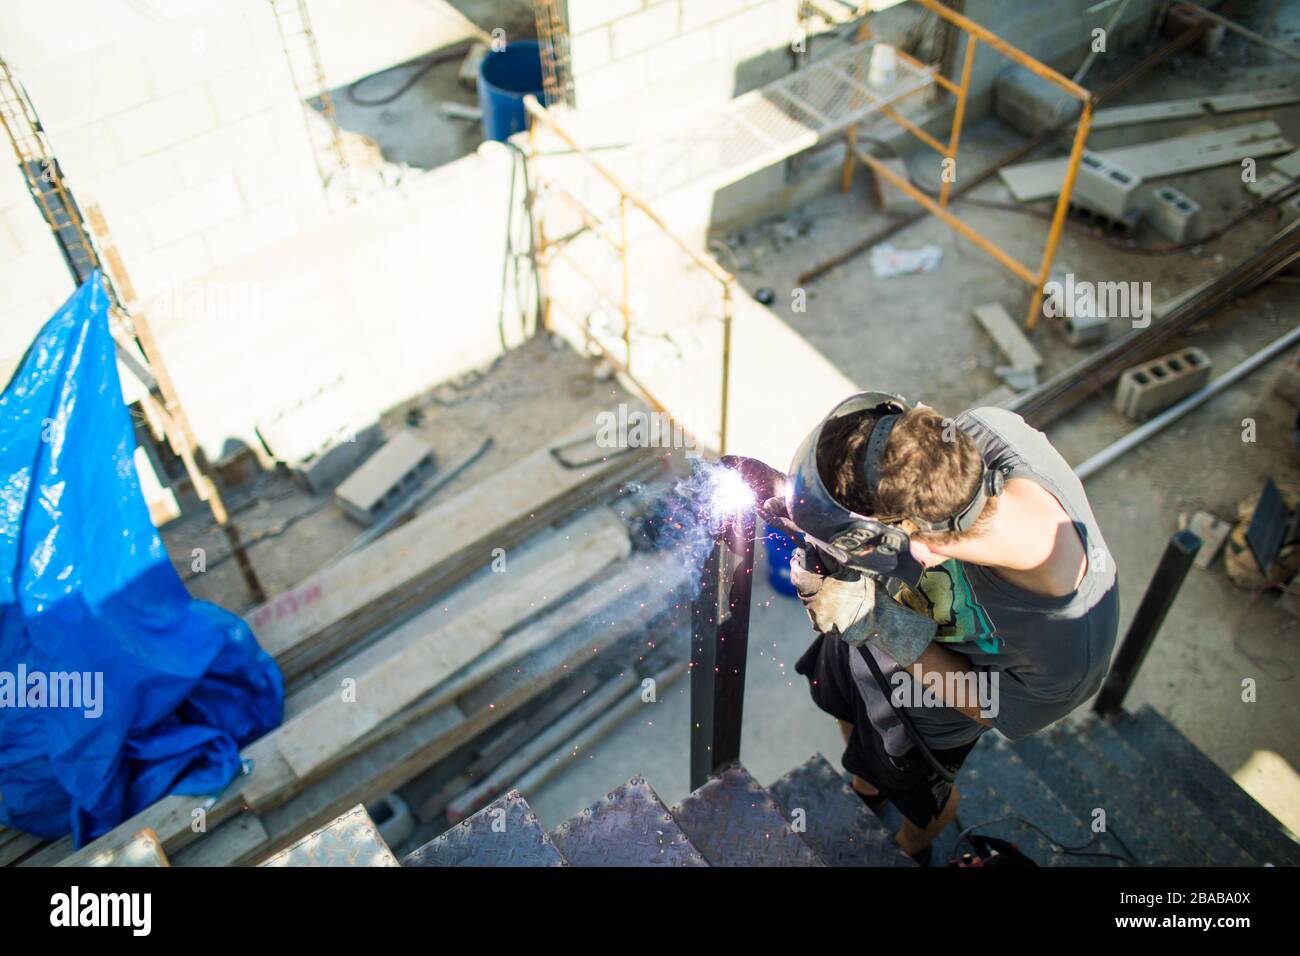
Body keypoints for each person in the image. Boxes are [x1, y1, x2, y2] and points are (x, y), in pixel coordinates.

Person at [770, 402, 1119, 865]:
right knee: (839, 700)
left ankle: (909, 849)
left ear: (923, 551)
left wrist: (881, 624)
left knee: (916, 794)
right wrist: (798, 504)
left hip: (925, 711)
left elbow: (986, 703)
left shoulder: (1067, 654)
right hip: (864, 621)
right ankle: (865, 784)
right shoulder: (979, 434)